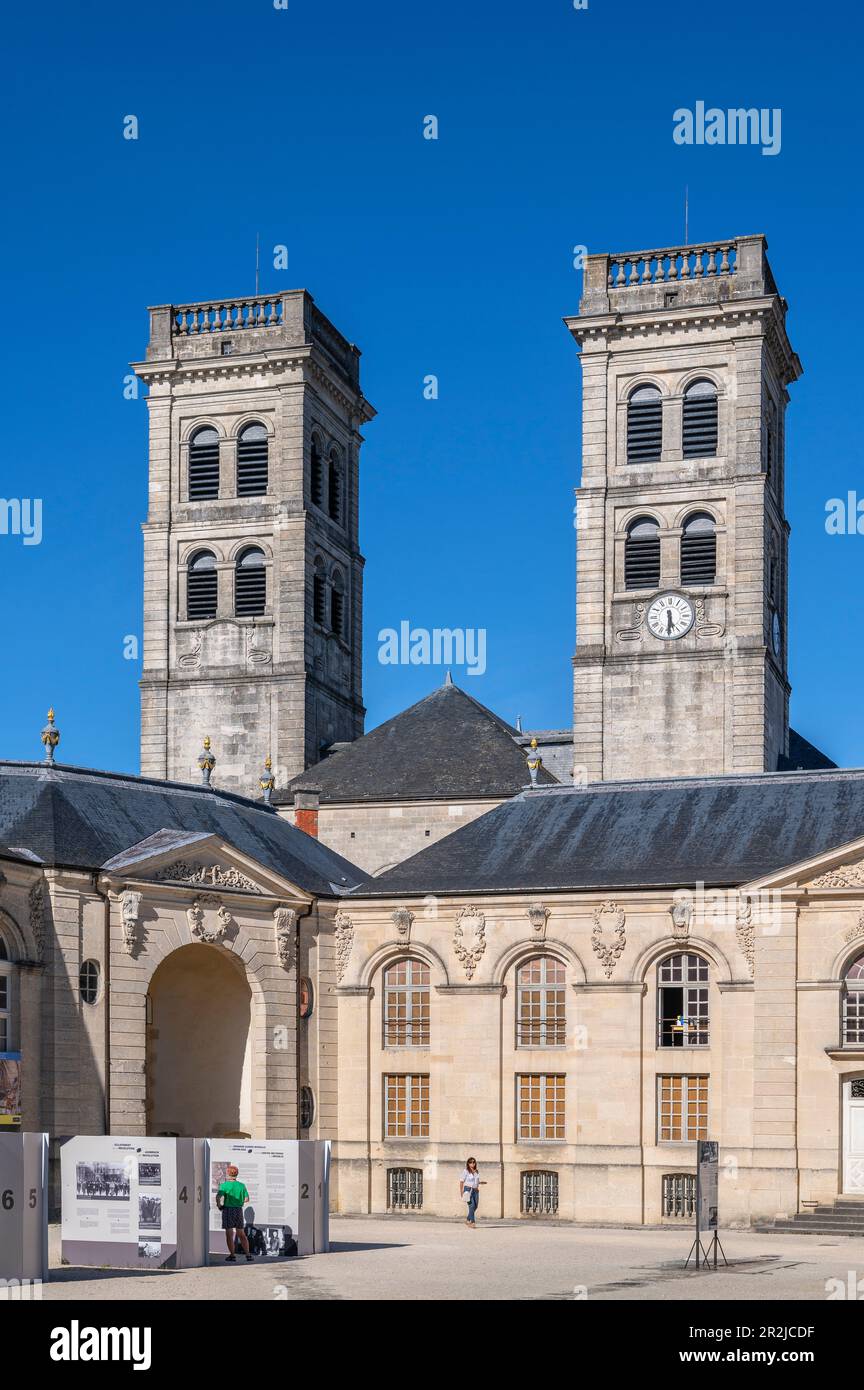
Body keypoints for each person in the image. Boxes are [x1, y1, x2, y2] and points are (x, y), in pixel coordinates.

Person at [216, 1164, 253, 1263]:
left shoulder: (224, 1185)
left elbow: (218, 1197)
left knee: (229, 1234)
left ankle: (232, 1255)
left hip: (228, 1210)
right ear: (237, 1174)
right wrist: (238, 1202)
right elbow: (246, 1199)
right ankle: (248, 1255)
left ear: (228, 1173)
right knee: (241, 1234)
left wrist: (219, 1206)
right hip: (238, 1210)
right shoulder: (241, 1185)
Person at [459, 1157, 485, 1228]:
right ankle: (472, 1222)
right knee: (472, 1206)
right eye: (470, 1162)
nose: (472, 1163)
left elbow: (475, 1181)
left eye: (473, 1162)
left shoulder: (476, 1171)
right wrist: (461, 1192)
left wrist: (480, 1183)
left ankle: (468, 1219)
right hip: (468, 1189)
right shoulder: (465, 1171)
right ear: (468, 1163)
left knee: (475, 1206)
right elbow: (461, 1181)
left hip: (475, 1190)